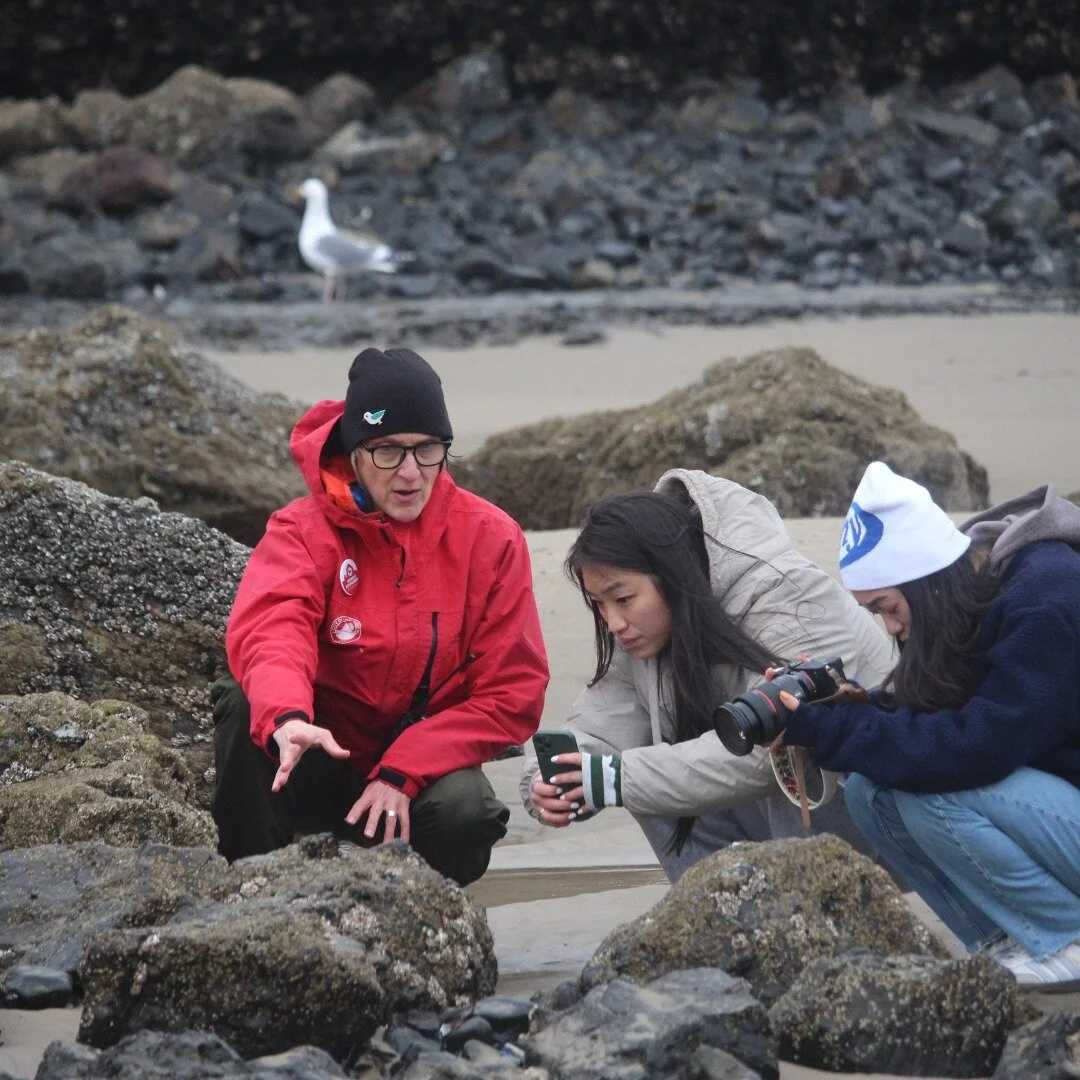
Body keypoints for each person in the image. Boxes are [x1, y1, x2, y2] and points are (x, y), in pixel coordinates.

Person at [211, 346, 549, 886]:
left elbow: (512, 692)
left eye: (427, 449)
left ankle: (422, 910)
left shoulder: (493, 539)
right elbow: (273, 628)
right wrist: (287, 717)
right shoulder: (301, 531)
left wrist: (403, 770)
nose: (411, 473)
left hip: (417, 770)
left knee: (469, 812)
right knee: (247, 702)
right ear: (354, 452)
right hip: (316, 755)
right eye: (388, 450)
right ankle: (250, 891)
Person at [779, 461, 1080, 991]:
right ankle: (1000, 939)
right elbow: (939, 716)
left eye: (888, 607)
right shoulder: (972, 589)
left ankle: (1064, 938)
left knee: (935, 794)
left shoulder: (1046, 596)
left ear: (921, 579)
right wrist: (836, 706)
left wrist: (833, 732)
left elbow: (976, 748)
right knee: (870, 793)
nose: (890, 627)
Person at [520, 468, 897, 882]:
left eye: (623, 599)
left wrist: (614, 778)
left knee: (788, 746)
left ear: (673, 576)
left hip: (888, 814)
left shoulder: (788, 597)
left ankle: (814, 908)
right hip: (788, 815)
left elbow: (771, 751)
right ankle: (722, 911)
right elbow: (601, 721)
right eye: (599, 604)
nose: (612, 623)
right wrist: (548, 778)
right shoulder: (646, 631)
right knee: (641, 777)